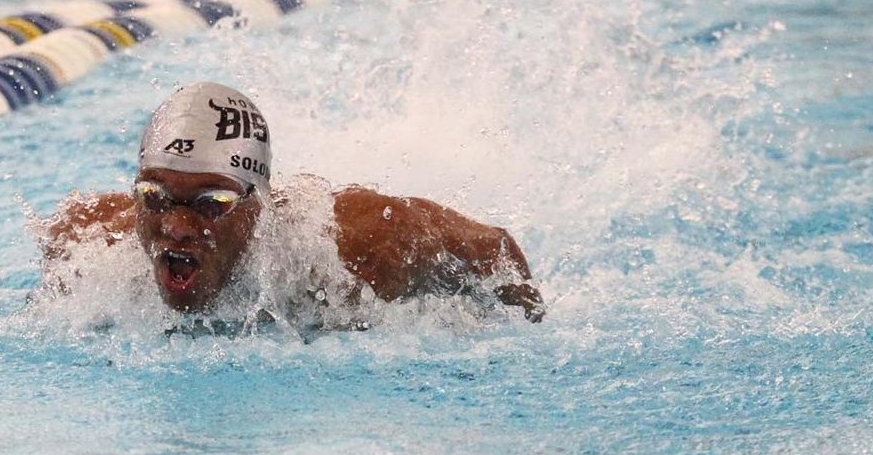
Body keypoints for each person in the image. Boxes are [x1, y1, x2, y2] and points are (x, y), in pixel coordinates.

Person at [41, 82, 544, 324]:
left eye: (212, 203)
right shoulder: (86, 243)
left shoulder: (361, 248)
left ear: (258, 206)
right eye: (155, 196)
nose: (176, 225)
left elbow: (491, 247)